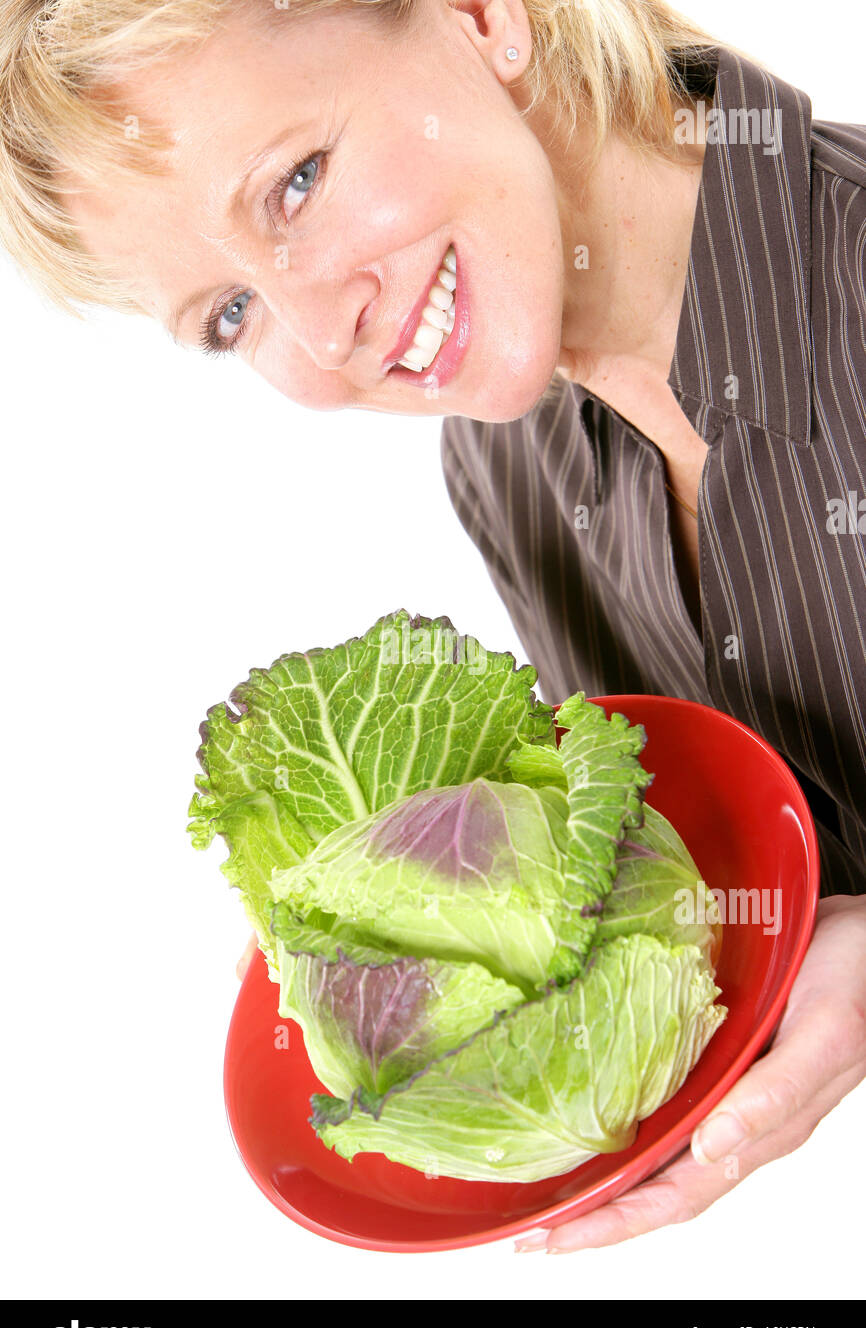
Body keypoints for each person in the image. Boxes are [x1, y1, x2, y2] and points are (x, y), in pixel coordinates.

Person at [2, 0, 863, 1254]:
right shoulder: (510, 468)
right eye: (230, 314)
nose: (318, 337)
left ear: (480, 16)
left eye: (296, 183)